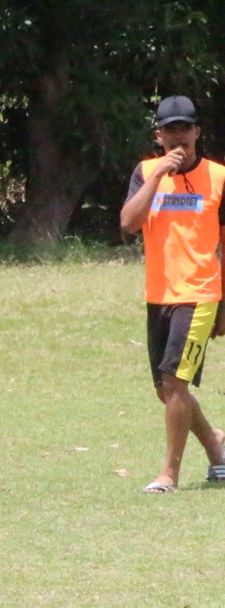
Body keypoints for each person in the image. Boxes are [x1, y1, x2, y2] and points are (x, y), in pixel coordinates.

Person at [120, 95, 225, 492]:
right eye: (170, 129)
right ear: (158, 135)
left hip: (200, 291)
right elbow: (129, 224)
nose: (179, 136)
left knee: (176, 383)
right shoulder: (146, 172)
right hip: (159, 293)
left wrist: (224, 305)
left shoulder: (219, 177)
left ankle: (169, 475)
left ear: (198, 131)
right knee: (167, 392)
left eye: (186, 127)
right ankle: (217, 450)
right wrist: (157, 176)